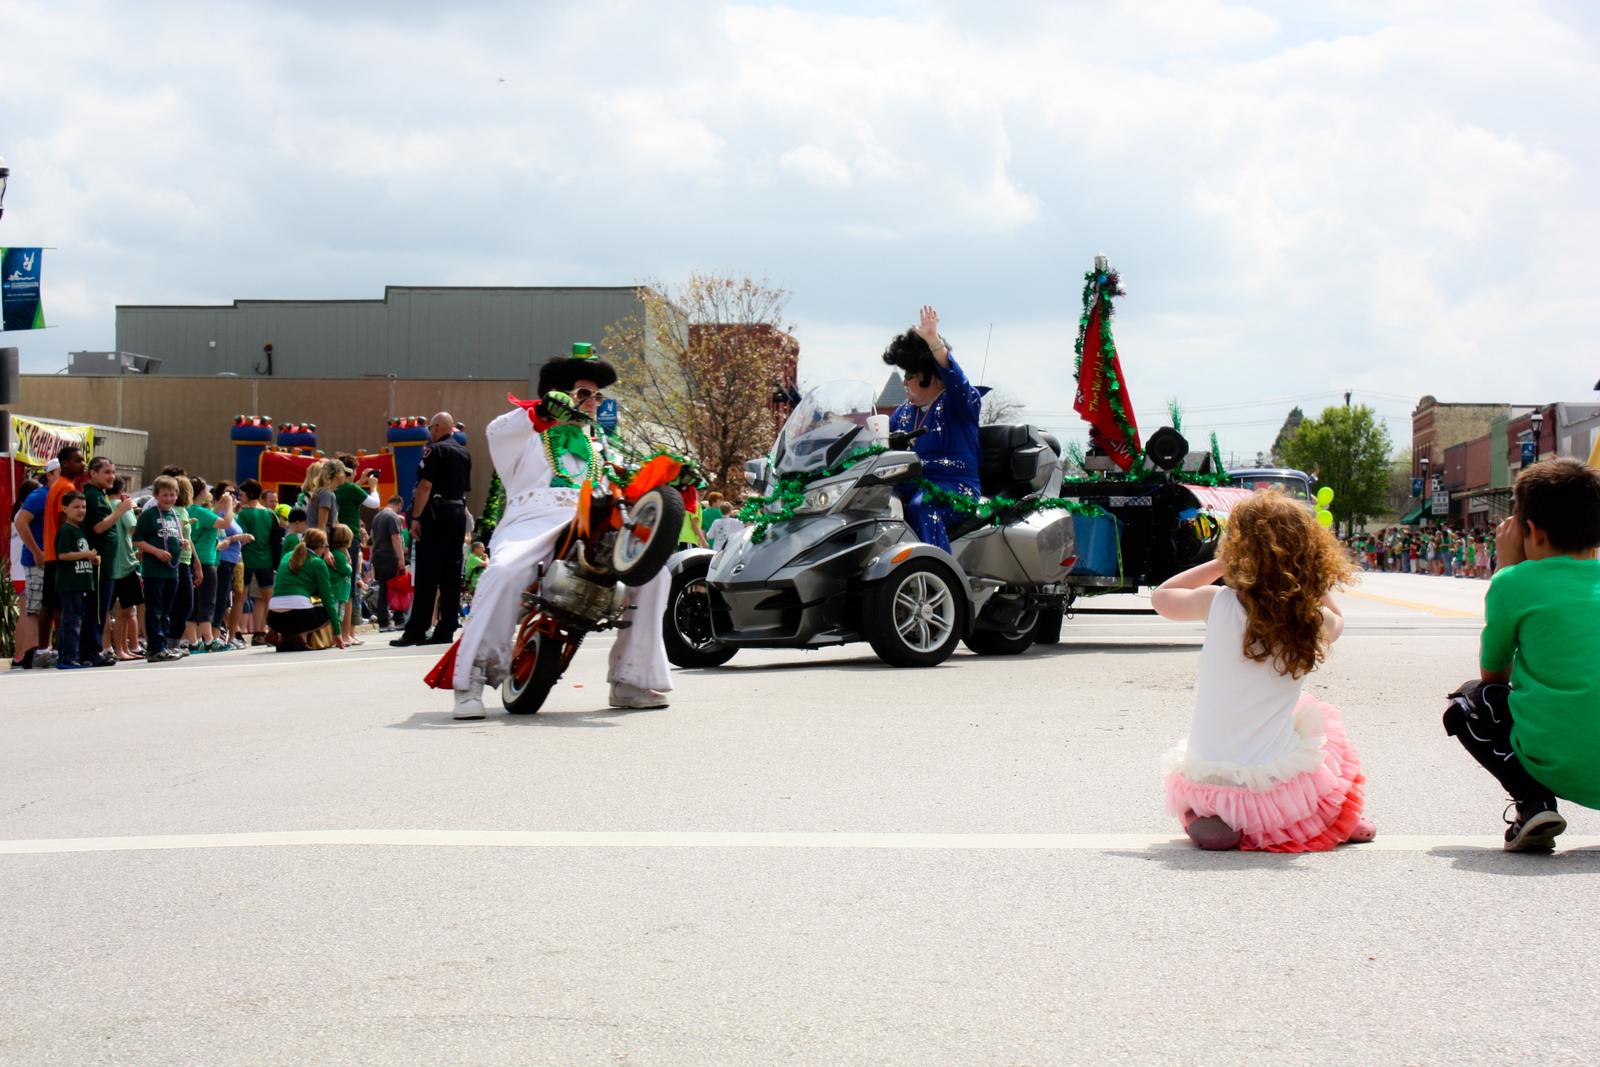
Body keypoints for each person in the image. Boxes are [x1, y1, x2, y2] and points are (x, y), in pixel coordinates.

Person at [438, 350, 672, 718]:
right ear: (556, 395)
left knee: (656, 574)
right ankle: (471, 684)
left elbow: (632, 490)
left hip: (589, 527)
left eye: (598, 396)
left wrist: (671, 480)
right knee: (503, 571)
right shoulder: (523, 435)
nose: (595, 403)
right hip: (531, 522)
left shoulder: (600, 449)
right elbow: (496, 431)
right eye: (585, 394)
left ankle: (632, 679)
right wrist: (543, 413)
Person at [1152, 490, 1375, 851]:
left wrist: (1223, 563)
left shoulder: (1217, 601)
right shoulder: (1312, 619)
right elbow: (1339, 624)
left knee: (1230, 747)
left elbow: (1162, 597)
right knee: (1320, 721)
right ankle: (1331, 817)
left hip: (1206, 776)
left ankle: (1203, 815)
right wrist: (1313, 581)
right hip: (1270, 787)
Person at [1443, 458, 1600, 852]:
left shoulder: (1513, 583)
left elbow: (1494, 674)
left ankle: (1533, 802)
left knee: (1470, 700)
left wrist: (1509, 568)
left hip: (1561, 765)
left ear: (1530, 530)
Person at [881, 305, 981, 552]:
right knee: (874, 502)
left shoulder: (959, 403)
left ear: (933, 375)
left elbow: (957, 382)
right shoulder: (904, 412)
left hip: (954, 486)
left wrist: (934, 341)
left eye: (910, 373)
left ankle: (937, 572)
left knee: (923, 506)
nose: (904, 381)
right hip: (909, 483)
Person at [392, 411, 471, 648]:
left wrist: (416, 517)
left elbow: (425, 485)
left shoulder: (434, 450)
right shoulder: (464, 452)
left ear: (436, 428)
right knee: (451, 573)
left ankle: (416, 630)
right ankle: (446, 628)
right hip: (458, 513)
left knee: (427, 573)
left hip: (437, 515)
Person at [82, 457, 134, 666]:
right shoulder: (93, 496)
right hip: (99, 562)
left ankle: (92, 650)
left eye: (113, 472)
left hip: (108, 562)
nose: (111, 476)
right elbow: (98, 527)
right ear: (93, 473)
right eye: (106, 472)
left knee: (101, 608)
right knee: (95, 608)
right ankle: (90, 652)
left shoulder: (101, 495)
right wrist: (120, 511)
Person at [132, 475, 188, 662]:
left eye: (172, 495)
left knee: (166, 610)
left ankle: (164, 644)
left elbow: (173, 536)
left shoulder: (175, 514)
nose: (169, 499)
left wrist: (183, 543)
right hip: (154, 570)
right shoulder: (150, 515)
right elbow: (138, 540)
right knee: (155, 610)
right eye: (164, 495)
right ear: (156, 495)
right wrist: (156, 551)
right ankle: (155, 647)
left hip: (172, 570)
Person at [266, 527, 345, 651]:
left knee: (299, 608)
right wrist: (337, 632)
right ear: (320, 547)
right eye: (326, 546)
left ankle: (284, 637)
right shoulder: (318, 562)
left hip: (273, 617)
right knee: (329, 611)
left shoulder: (287, 556)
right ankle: (301, 635)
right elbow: (327, 598)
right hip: (300, 616)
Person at [52, 491, 105, 670]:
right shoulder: (66, 530)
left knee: (78, 619)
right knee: (71, 620)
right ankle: (67, 657)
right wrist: (86, 554)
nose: (81, 510)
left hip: (82, 581)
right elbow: (62, 555)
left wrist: (92, 559)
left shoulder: (80, 530)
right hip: (70, 583)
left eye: (83, 507)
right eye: (76, 507)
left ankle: (76, 655)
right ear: (65, 509)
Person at [12, 467, 57, 668]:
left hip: (53, 561)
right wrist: (37, 552)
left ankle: (43, 649)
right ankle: (29, 653)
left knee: (47, 607)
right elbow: (20, 521)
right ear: (49, 475)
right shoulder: (40, 495)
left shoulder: (58, 494)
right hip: (34, 562)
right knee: (32, 609)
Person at [182, 480, 233, 653]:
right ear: (202, 492)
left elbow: (209, 522)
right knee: (208, 601)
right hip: (205, 560)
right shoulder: (201, 511)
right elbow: (226, 523)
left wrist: (218, 509)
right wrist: (229, 506)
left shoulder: (189, 511)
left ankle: (194, 641)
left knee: (194, 602)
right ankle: (209, 639)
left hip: (192, 559)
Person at [104, 477, 145, 660]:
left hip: (109, 563)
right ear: (122, 491)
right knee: (125, 610)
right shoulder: (122, 506)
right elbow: (133, 528)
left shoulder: (104, 506)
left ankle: (110, 648)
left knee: (108, 611)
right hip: (125, 563)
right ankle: (121, 650)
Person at [235, 480, 279, 645]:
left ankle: (236, 632)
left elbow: (242, 537)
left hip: (247, 559)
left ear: (250, 494)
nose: (240, 497)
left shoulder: (244, 514)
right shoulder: (270, 514)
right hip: (266, 560)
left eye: (242, 494)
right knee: (267, 598)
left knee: (241, 598)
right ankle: (265, 631)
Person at [369, 494, 407, 631]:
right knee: (398, 588)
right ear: (399, 506)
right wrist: (401, 558)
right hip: (390, 556)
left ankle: (383, 622)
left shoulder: (377, 516)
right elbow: (396, 537)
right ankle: (399, 619)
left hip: (378, 556)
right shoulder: (392, 517)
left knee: (383, 590)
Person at [327, 523, 360, 646]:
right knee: (335, 617)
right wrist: (350, 564)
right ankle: (334, 638)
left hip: (341, 591)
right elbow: (346, 570)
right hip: (337, 591)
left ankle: (336, 637)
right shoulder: (338, 555)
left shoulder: (338, 553)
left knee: (338, 616)